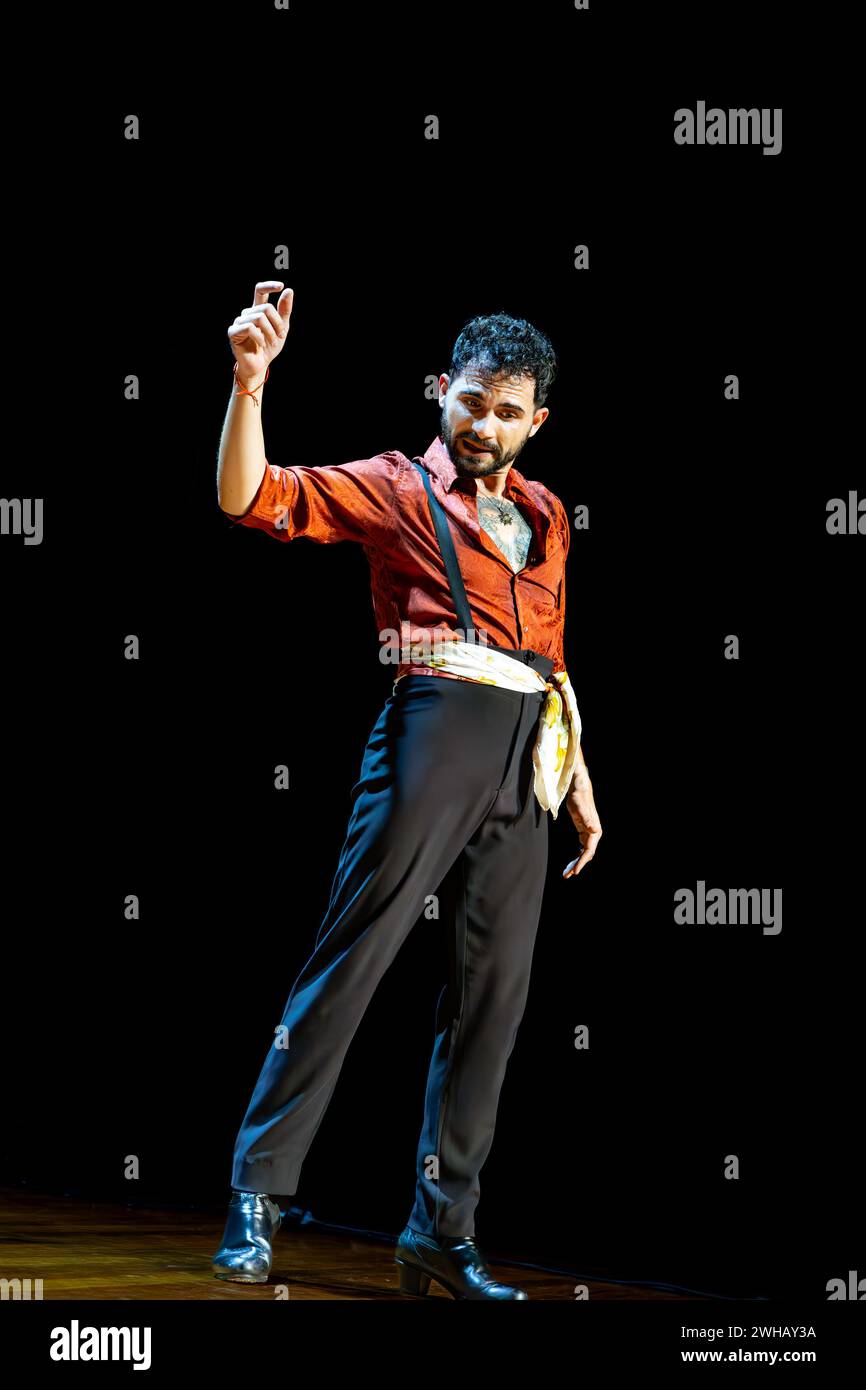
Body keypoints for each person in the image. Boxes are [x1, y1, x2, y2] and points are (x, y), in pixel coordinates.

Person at [211, 284, 602, 1299]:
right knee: (352, 958)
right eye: (470, 401)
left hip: (529, 754)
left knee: (493, 1002)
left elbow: (550, 658)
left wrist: (577, 781)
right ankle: (256, 1196)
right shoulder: (395, 485)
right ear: (443, 391)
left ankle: (443, 1227)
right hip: (436, 721)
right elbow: (252, 499)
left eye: (506, 411)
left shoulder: (548, 512)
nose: (483, 424)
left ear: (535, 420)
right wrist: (250, 386)